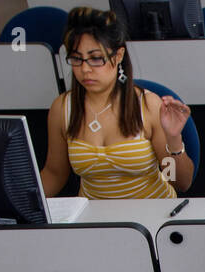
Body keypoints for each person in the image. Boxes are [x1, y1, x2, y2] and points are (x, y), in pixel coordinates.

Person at [39, 6, 194, 199]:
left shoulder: (147, 105)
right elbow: (54, 173)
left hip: (151, 217)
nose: (85, 69)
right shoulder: (62, 108)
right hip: (95, 220)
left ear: (118, 56)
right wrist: (21, 206)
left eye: (96, 59)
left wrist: (173, 139)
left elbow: (180, 182)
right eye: (77, 59)